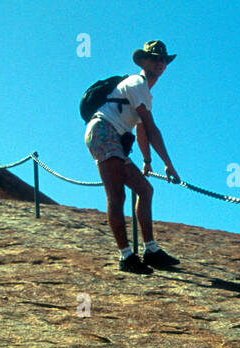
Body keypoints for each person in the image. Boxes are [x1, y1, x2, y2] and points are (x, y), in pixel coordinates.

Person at [83, 40, 181, 274]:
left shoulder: (143, 90)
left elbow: (141, 130)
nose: (160, 63)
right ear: (143, 61)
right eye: (155, 58)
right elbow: (150, 126)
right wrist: (168, 164)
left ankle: (151, 250)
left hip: (112, 136)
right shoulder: (137, 83)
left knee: (145, 190)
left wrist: (147, 161)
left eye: (163, 59)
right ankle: (126, 256)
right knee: (117, 194)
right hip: (103, 132)